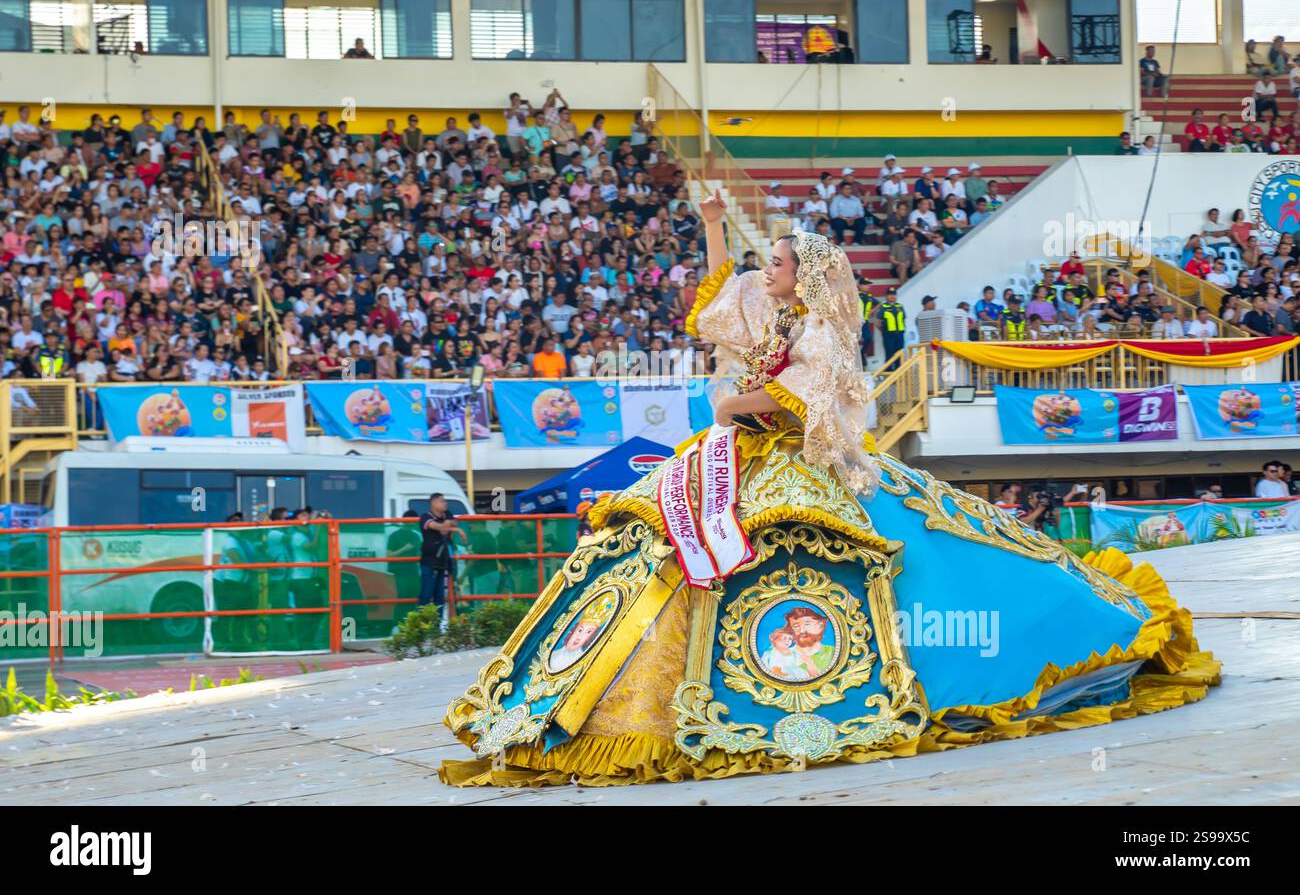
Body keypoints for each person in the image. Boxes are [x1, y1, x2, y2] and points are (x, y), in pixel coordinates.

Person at [440, 193, 1219, 789]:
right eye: (766, 264)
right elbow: (712, 313)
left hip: (795, 464)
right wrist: (712, 226)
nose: (764, 271)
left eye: (774, 264)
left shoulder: (819, 332)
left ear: (803, 275)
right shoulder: (774, 317)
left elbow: (803, 401)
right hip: (739, 459)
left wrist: (734, 405)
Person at [418, 493, 465, 622]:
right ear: (433, 503)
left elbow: (453, 523)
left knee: (440, 596)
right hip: (429, 562)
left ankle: (436, 627)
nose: (445, 503)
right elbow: (440, 527)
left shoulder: (447, 514)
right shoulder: (425, 517)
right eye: (442, 501)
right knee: (426, 595)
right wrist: (456, 529)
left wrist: (450, 524)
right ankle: (422, 626)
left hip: (443, 562)